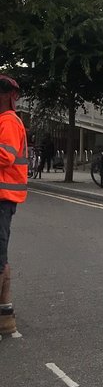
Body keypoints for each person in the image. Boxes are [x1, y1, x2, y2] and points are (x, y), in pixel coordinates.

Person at [0, 76, 28, 337]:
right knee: (1, 257)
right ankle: (5, 316)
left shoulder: (7, 121)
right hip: (5, 198)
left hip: (3, 197)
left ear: (7, 95)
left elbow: (5, 156)